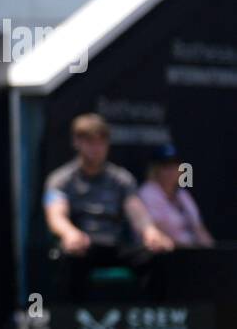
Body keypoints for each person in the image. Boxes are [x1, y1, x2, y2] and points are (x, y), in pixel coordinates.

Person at [44, 113, 174, 301]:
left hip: (114, 245)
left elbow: (136, 211)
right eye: (90, 142)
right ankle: (71, 320)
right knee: (68, 259)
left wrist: (150, 231)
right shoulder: (60, 180)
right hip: (82, 245)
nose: (96, 149)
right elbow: (56, 216)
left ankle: (150, 318)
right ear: (77, 142)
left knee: (155, 256)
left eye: (100, 142)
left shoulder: (121, 179)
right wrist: (69, 233)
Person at [137, 144, 213, 249]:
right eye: (165, 166)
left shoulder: (183, 195)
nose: (171, 171)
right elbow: (157, 233)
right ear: (155, 169)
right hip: (163, 255)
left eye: (175, 166)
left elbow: (199, 229)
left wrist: (211, 252)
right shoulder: (147, 193)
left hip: (192, 254)